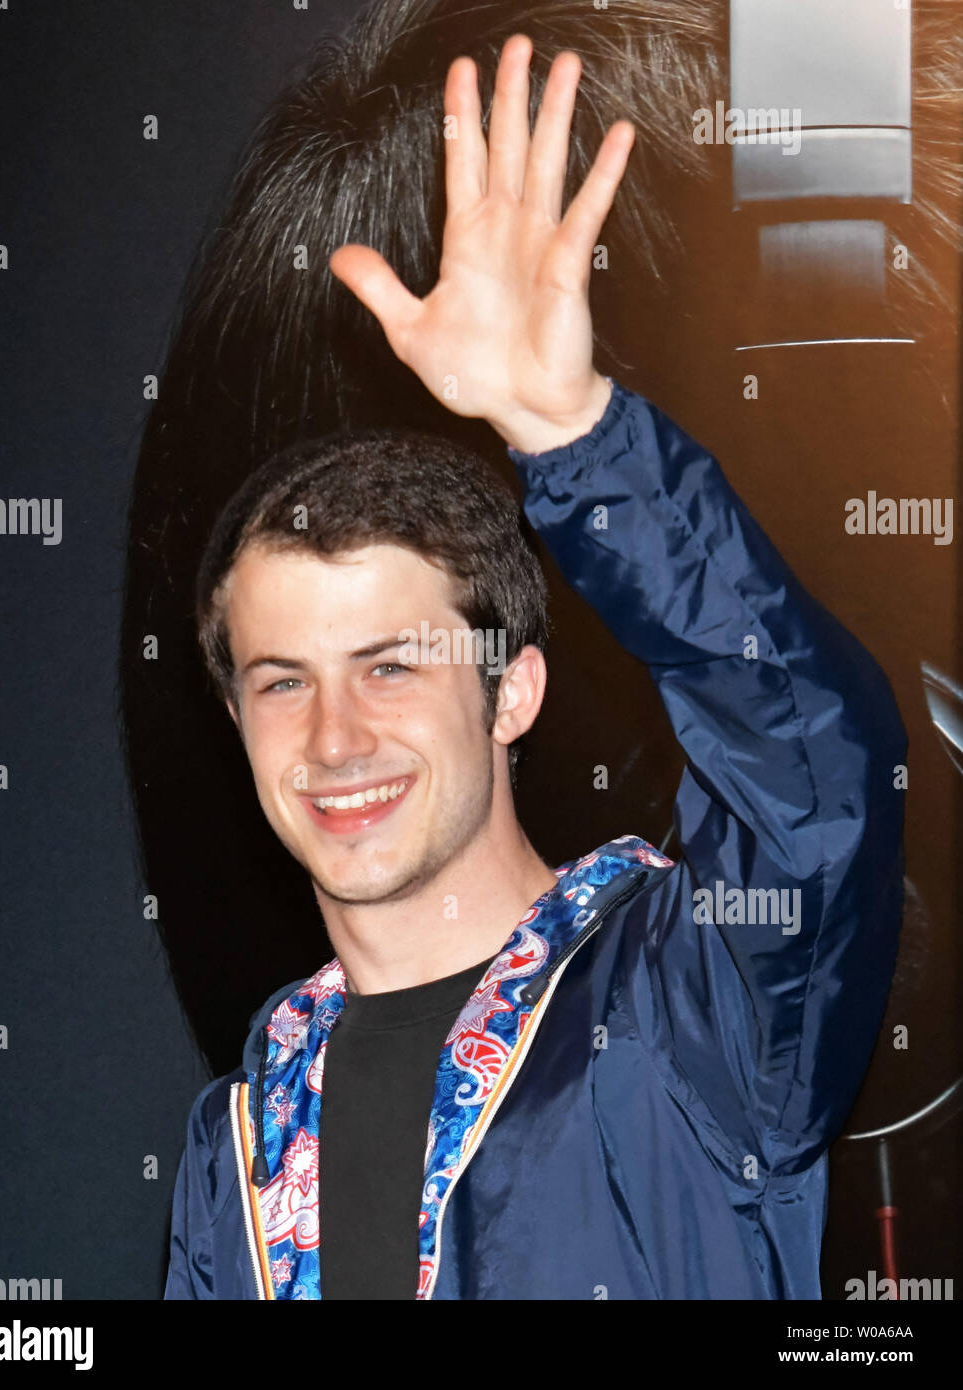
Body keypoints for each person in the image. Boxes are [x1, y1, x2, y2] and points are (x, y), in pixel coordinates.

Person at [164, 34, 905, 1300]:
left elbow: (815, 775)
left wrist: (573, 436)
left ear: (511, 690)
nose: (333, 737)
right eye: (282, 680)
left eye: (391, 665)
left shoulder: (692, 1001)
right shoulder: (237, 1136)